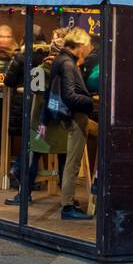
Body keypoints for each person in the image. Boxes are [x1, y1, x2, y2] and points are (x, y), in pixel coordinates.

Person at [4, 28, 66, 205]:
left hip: (41, 120)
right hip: (62, 121)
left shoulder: (39, 70)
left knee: (33, 157)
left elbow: (33, 90)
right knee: (64, 159)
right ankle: (67, 200)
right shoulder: (69, 68)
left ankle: (25, 193)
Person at [49, 27, 96, 221]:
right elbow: (69, 95)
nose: (88, 49)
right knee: (72, 163)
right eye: (86, 45)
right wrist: (90, 101)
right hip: (75, 117)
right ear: (78, 45)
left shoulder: (62, 60)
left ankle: (68, 200)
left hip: (68, 116)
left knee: (72, 161)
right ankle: (67, 206)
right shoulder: (68, 64)